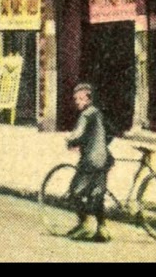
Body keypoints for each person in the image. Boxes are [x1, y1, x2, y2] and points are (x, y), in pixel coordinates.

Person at [64, 83, 115, 242]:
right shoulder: (98, 113)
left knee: (74, 192)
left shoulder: (86, 115)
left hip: (90, 161)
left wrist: (70, 142)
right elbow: (110, 133)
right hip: (104, 159)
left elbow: (77, 135)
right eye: (75, 99)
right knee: (97, 194)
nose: (77, 102)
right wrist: (99, 144)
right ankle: (102, 229)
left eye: (80, 99)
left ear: (88, 99)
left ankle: (85, 225)